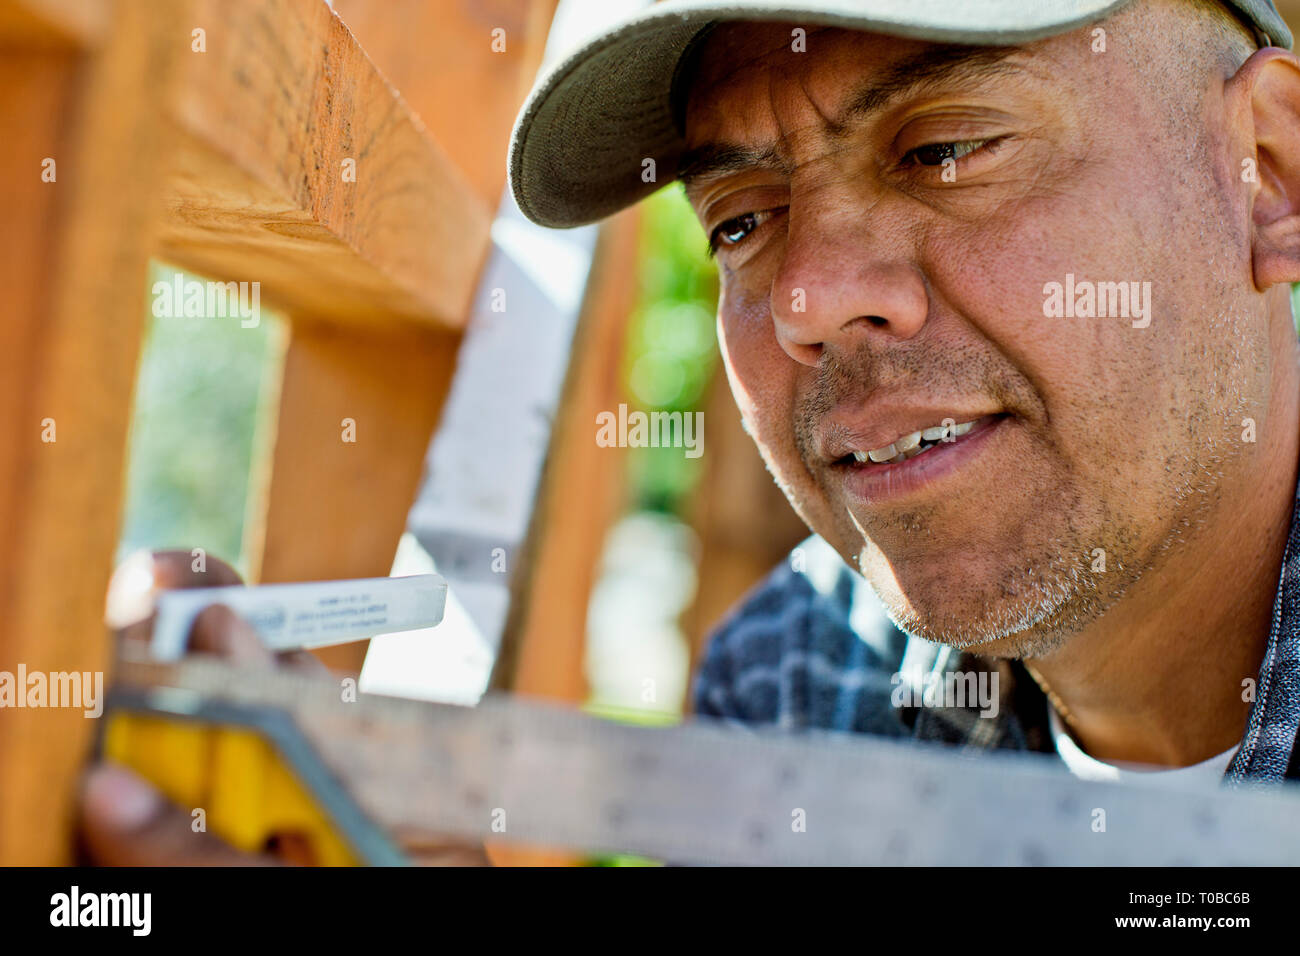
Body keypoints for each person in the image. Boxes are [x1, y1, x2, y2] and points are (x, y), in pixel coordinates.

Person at [83, 0, 1300, 862]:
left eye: (943, 149)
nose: (808, 297)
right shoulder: (798, 686)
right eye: (739, 220)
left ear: (1267, 169)